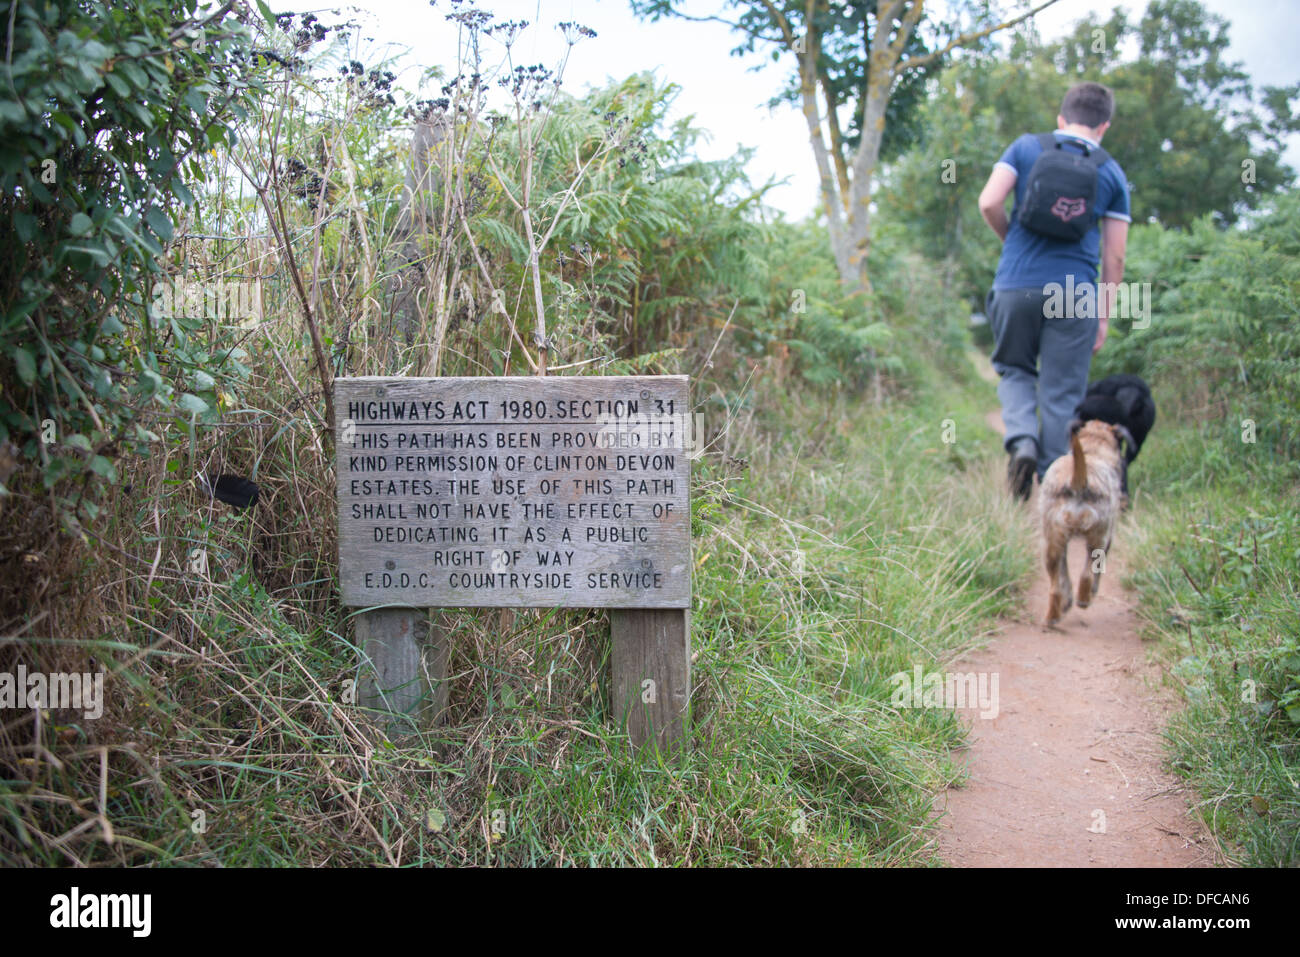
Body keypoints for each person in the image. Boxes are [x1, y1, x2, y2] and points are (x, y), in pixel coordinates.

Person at [977, 81, 1131, 500]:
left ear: (1061, 118)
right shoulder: (1112, 172)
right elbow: (1115, 257)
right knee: (1062, 393)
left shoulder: (1026, 147)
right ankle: (1052, 488)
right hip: (1074, 294)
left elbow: (989, 202)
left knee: (1015, 369)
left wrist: (1011, 241)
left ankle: (1022, 438)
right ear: (1104, 126)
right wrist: (1102, 316)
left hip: (1016, 284)